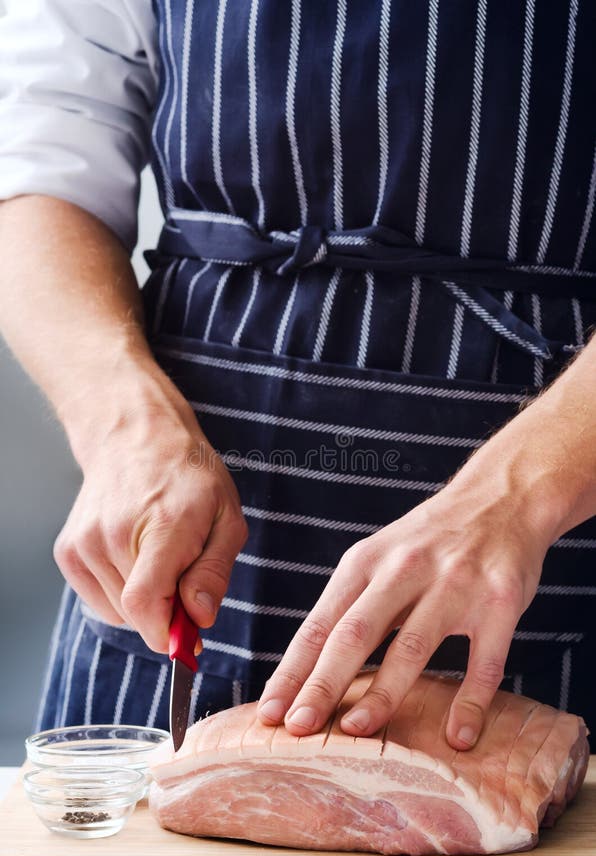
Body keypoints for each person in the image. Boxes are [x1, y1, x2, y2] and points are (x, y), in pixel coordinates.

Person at [0, 0, 594, 754]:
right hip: (173, 554)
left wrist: (522, 495)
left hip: (556, 541)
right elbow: (41, 163)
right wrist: (125, 430)